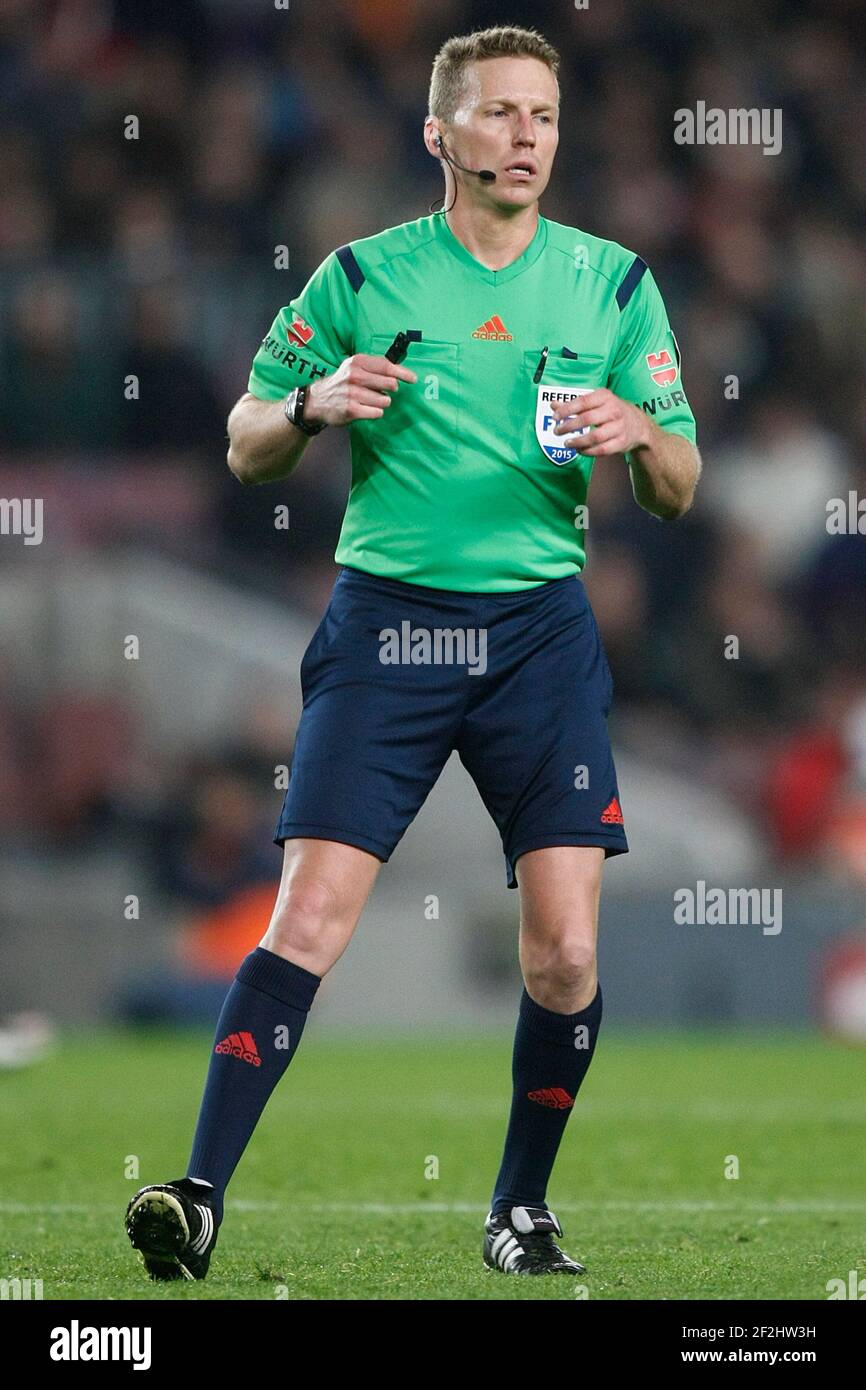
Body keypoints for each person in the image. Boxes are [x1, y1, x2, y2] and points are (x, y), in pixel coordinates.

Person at [125, 24, 700, 1282]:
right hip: (385, 623)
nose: (523, 136)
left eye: (540, 114)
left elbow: (677, 481)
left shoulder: (609, 283)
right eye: (496, 114)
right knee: (309, 915)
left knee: (563, 949)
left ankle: (518, 1209)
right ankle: (200, 1192)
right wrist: (306, 404)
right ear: (438, 135)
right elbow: (243, 441)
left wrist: (636, 439)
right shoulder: (358, 275)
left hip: (539, 633)